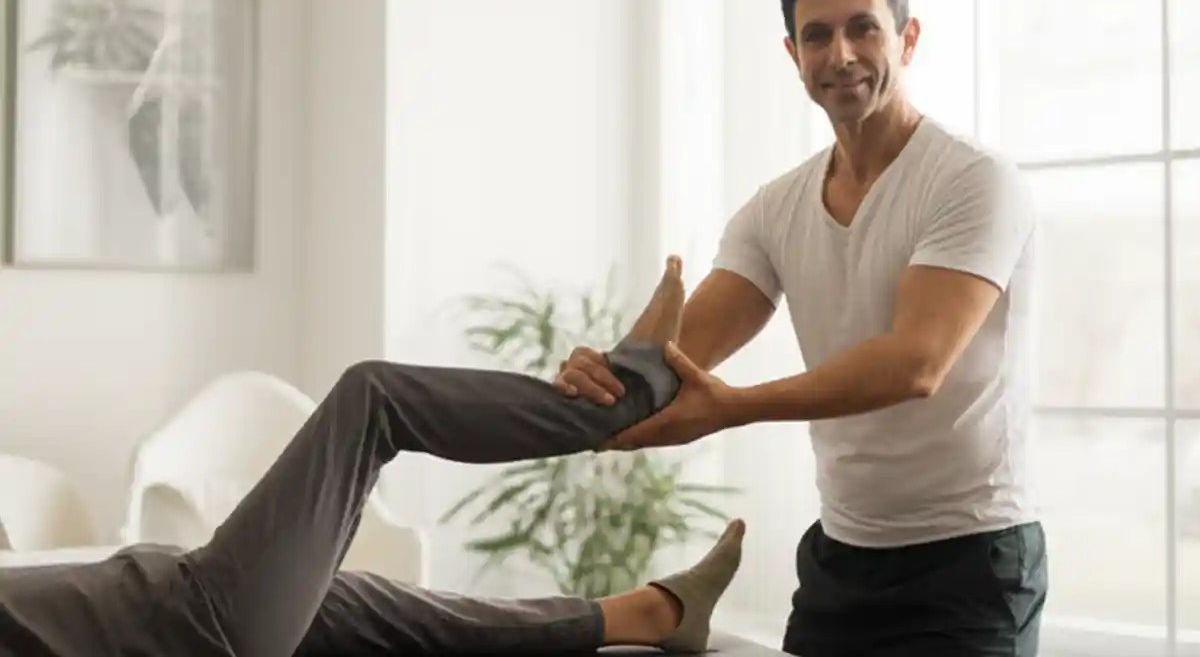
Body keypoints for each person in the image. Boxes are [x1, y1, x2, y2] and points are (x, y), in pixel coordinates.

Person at [555, 0, 1046, 656]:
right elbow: (674, 359)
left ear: (907, 38)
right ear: (793, 54)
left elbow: (916, 363)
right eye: (817, 35)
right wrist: (603, 374)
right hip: (840, 560)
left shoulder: (973, 182)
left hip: (972, 559)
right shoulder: (776, 209)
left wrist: (734, 408)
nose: (840, 53)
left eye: (863, 28)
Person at [0, 258, 748, 656]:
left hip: (173, 598)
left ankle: (649, 615)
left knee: (358, 605)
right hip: (187, 627)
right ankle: (627, 398)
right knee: (373, 399)